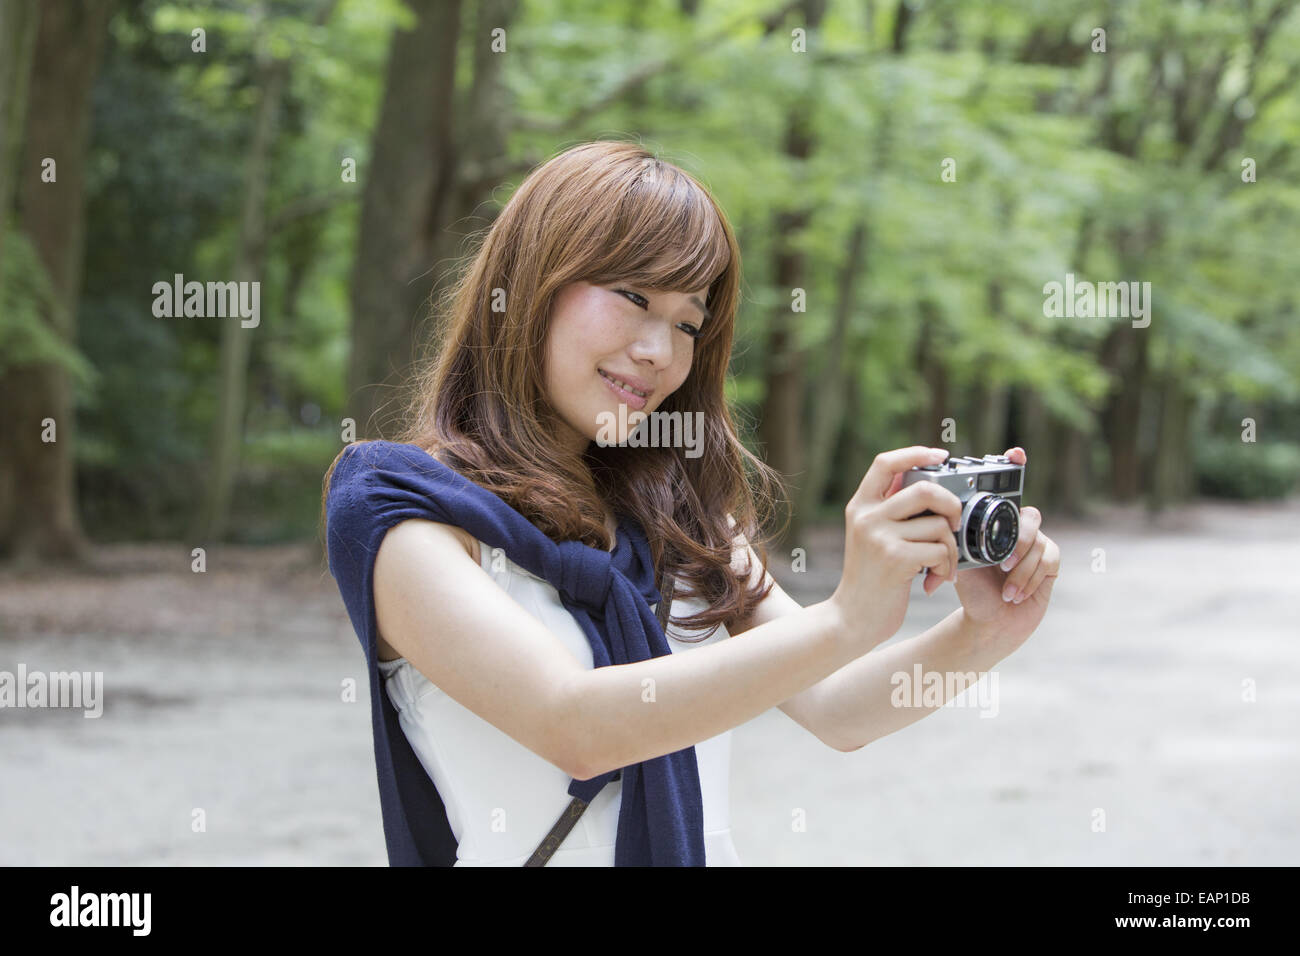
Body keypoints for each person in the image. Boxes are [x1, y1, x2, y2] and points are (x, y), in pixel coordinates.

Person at [323, 140, 1061, 866]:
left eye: (687, 323)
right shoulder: (402, 509)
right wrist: (845, 616)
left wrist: (986, 631)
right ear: (530, 283)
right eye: (634, 297)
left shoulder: (680, 520)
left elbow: (838, 708)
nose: (660, 352)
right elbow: (572, 722)